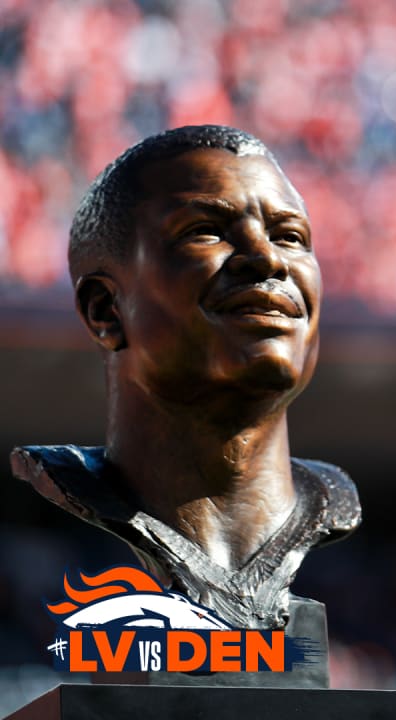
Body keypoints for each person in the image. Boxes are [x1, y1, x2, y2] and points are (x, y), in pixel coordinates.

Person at [10, 125, 360, 632]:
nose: (267, 259)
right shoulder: (70, 484)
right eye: (206, 231)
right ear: (105, 309)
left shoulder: (333, 504)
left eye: (290, 236)